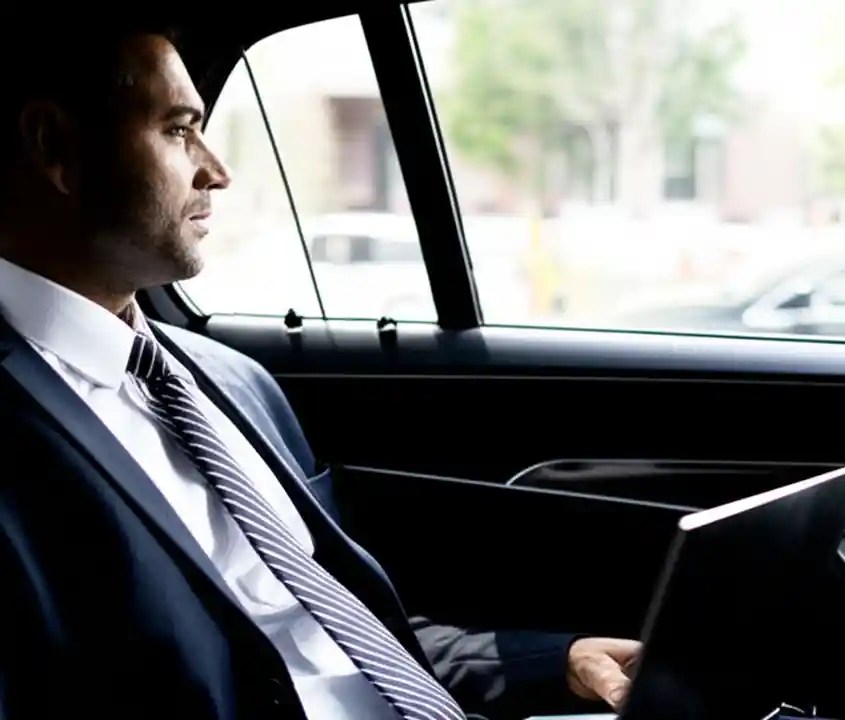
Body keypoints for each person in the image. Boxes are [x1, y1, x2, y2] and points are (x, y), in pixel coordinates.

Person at [0, 15, 639, 720]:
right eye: (179, 130)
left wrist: (557, 662)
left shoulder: (232, 382)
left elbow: (331, 628)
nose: (216, 169)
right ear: (56, 146)